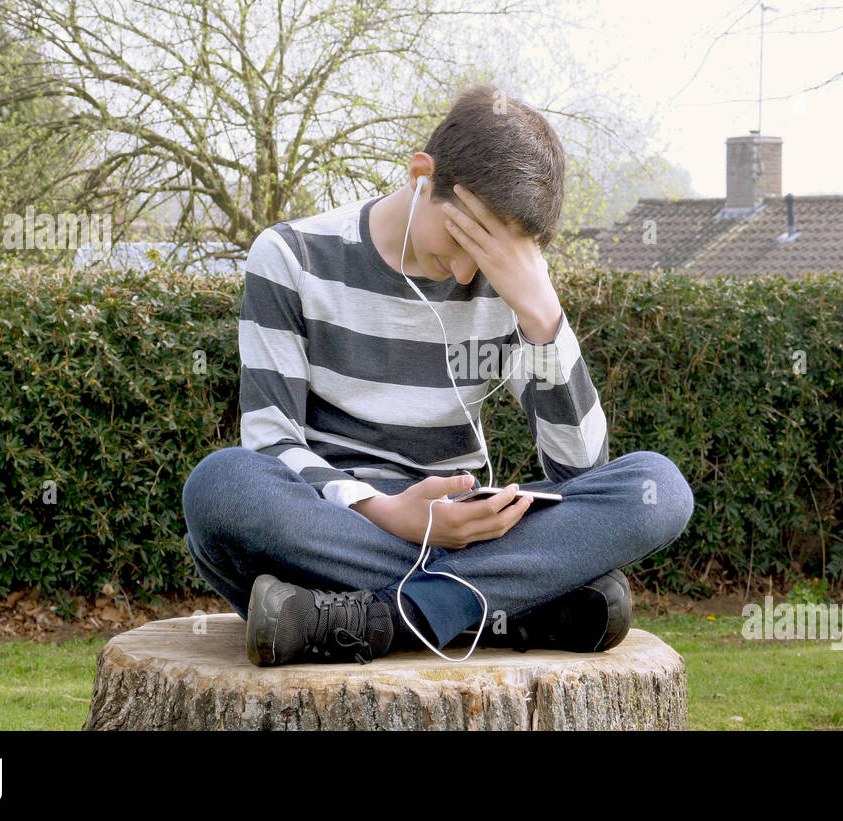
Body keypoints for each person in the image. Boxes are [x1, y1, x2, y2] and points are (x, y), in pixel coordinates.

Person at [181, 83, 694, 666]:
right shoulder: (291, 256)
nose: (467, 270)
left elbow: (581, 471)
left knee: (659, 489)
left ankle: (372, 619)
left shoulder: (507, 288)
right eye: (462, 236)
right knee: (223, 487)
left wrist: (543, 317)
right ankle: (509, 604)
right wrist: (387, 512)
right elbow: (272, 442)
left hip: (463, 528)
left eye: (494, 252)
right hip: (340, 524)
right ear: (422, 175)